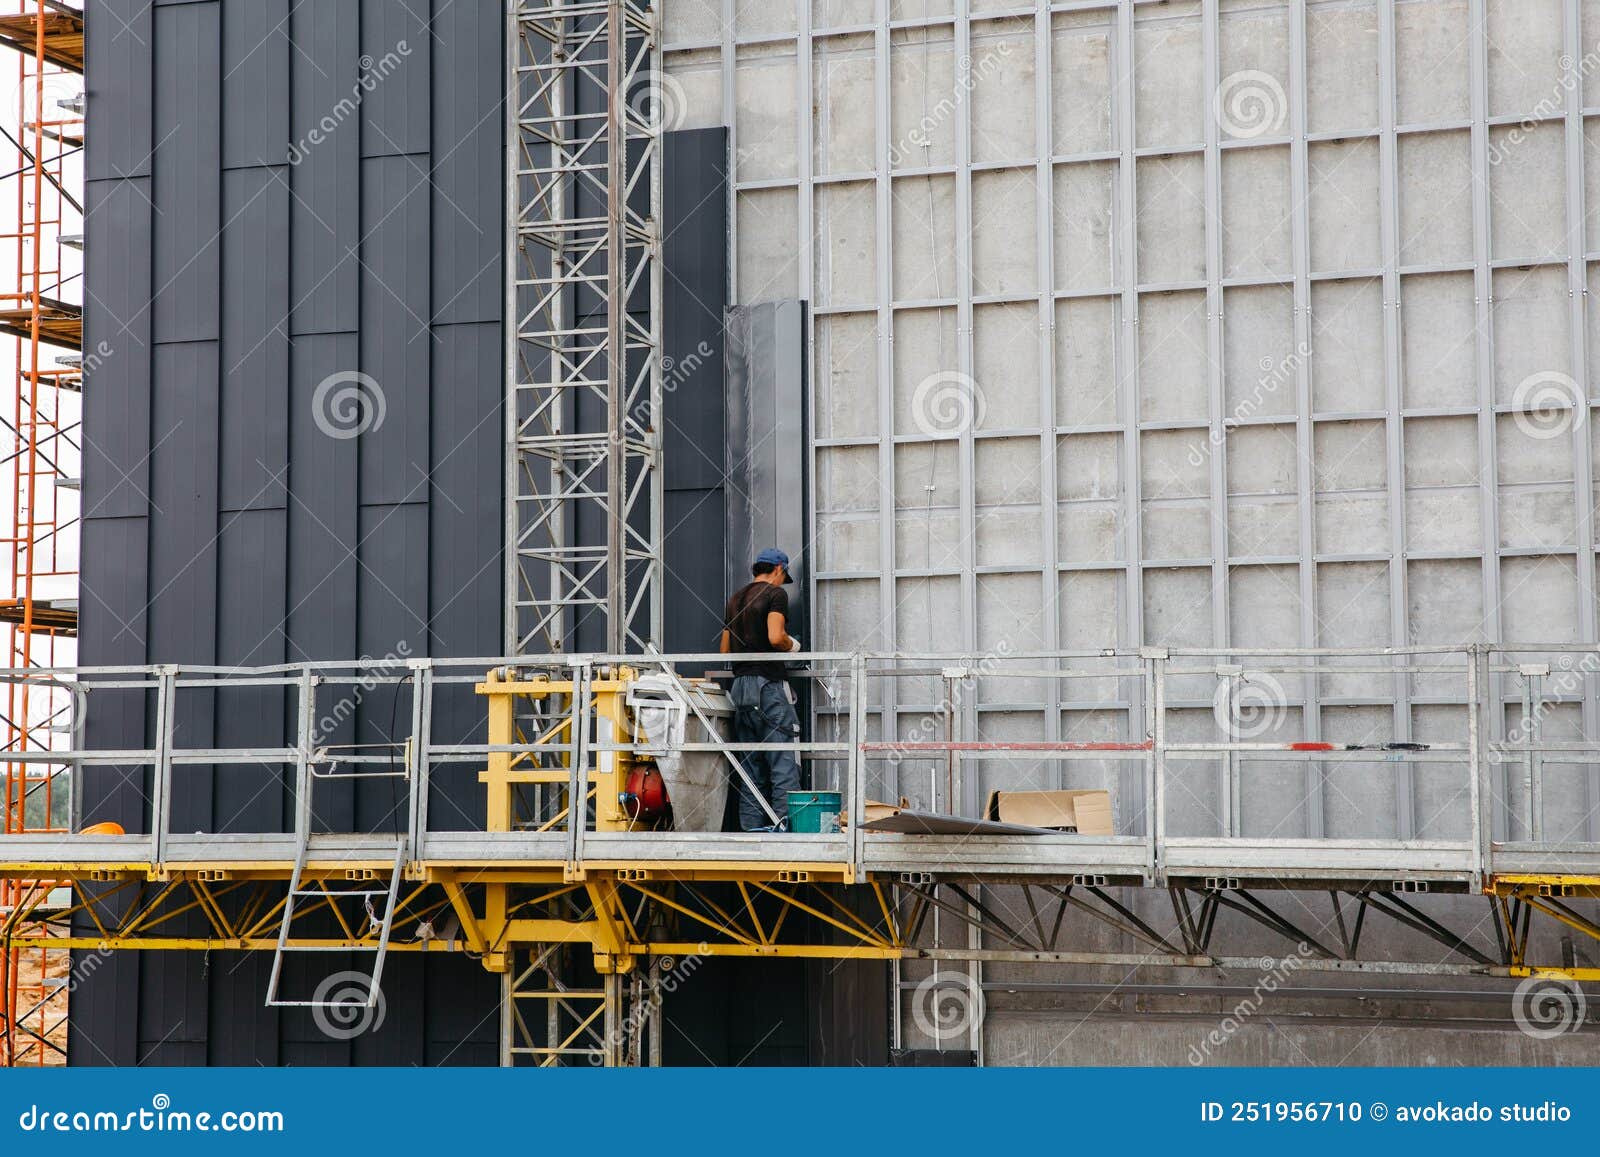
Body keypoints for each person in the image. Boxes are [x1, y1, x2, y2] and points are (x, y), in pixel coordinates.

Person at [719, 548, 803, 831]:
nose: (782, 582)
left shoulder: (734, 599)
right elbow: (775, 636)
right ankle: (785, 831)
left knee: (750, 768)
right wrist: (792, 646)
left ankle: (752, 833)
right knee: (782, 762)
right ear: (778, 568)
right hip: (767, 685)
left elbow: (725, 651)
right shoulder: (775, 595)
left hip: (740, 688)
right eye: (783, 576)